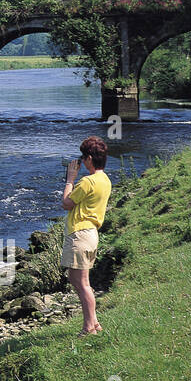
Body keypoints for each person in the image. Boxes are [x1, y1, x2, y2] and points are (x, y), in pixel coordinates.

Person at [60, 135, 111, 336]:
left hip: (80, 234)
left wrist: (70, 179)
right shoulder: (104, 180)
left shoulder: (87, 182)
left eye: (83, 157)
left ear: (89, 158)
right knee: (78, 280)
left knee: (82, 284)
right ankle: (94, 323)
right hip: (90, 233)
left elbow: (66, 203)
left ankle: (89, 327)